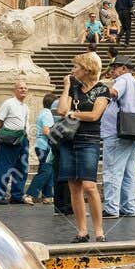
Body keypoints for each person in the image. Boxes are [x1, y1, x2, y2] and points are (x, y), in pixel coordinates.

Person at [57, 53, 110, 243]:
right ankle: (82, 231)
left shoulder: (102, 90)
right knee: (74, 187)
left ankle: (99, 231)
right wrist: (66, 87)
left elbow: (95, 115)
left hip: (89, 140)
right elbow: (61, 110)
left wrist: (73, 113)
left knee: (89, 185)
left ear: (87, 69)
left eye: (76, 67)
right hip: (69, 140)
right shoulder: (74, 88)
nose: (73, 70)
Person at [97, 55, 135, 220]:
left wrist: (97, 88)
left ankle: (111, 208)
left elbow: (114, 93)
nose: (112, 71)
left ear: (124, 68)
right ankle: (129, 207)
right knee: (128, 173)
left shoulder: (123, 80)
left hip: (117, 133)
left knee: (112, 171)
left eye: (115, 67)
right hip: (132, 131)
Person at [0, 79, 33, 205]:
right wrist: (5, 135)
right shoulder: (8, 103)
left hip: (23, 139)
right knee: (4, 168)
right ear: (14, 90)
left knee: (22, 168)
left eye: (25, 88)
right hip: (9, 139)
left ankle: (17, 195)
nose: (23, 90)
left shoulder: (26, 107)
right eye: (20, 88)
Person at [25, 94, 58, 206]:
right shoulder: (48, 114)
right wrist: (57, 139)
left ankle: (47, 196)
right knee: (46, 171)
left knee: (47, 170)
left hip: (41, 145)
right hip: (45, 146)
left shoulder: (42, 112)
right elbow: (46, 130)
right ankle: (30, 194)